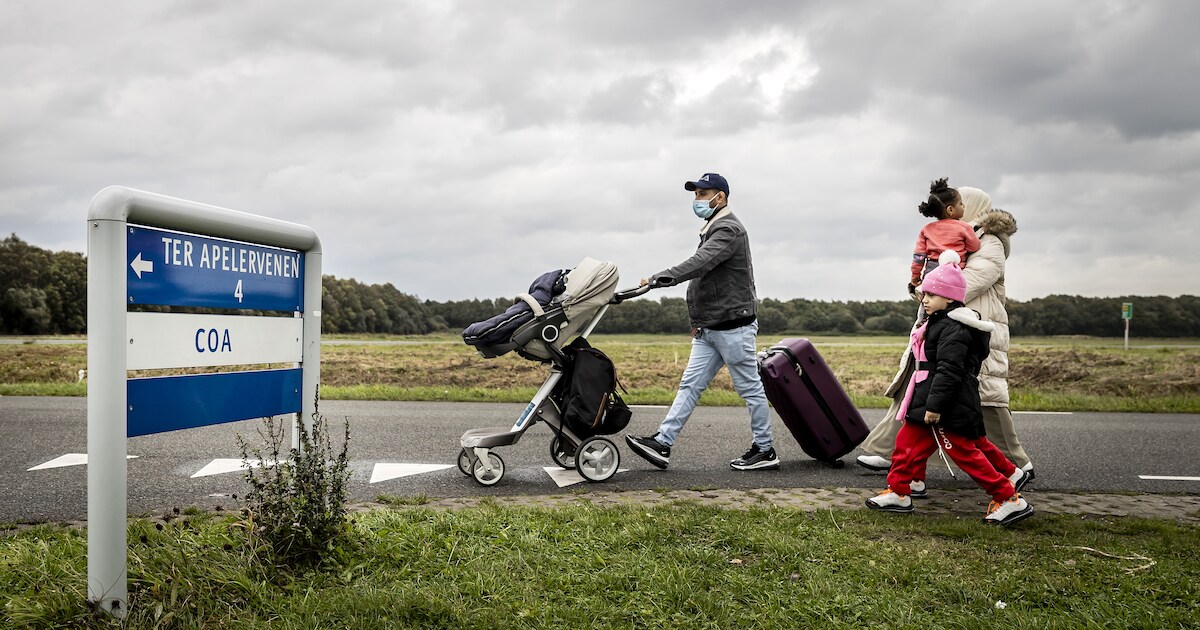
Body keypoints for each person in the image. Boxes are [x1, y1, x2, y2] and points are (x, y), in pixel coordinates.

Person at [857, 187, 1034, 479]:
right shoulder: (954, 235)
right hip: (942, 323)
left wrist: (929, 287)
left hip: (972, 326)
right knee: (917, 387)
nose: (958, 206)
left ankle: (1015, 463)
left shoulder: (989, 241)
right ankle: (891, 452)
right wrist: (924, 286)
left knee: (984, 400)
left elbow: (971, 281)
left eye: (964, 202)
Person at [624, 172, 777, 471]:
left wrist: (658, 279)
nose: (697, 200)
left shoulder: (728, 230)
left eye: (702, 194)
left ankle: (765, 450)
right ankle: (663, 442)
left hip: (732, 327)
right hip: (710, 327)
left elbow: (700, 263)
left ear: (720, 197)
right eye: (695, 194)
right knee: (690, 385)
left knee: (749, 389)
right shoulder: (713, 228)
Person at [864, 258, 1033, 526]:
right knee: (905, 445)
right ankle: (898, 492)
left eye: (931, 295)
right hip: (927, 395)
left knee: (964, 452)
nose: (925, 300)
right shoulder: (937, 322)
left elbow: (949, 371)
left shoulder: (954, 329)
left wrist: (935, 407)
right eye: (924, 295)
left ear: (951, 298)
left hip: (946, 402)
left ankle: (1008, 498)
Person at [909, 178, 980, 296]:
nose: (963, 206)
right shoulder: (964, 227)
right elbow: (974, 247)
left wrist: (915, 275)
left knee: (930, 299)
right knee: (950, 299)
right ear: (950, 210)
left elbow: (919, 256)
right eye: (960, 203)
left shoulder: (927, 229)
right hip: (955, 271)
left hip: (932, 270)